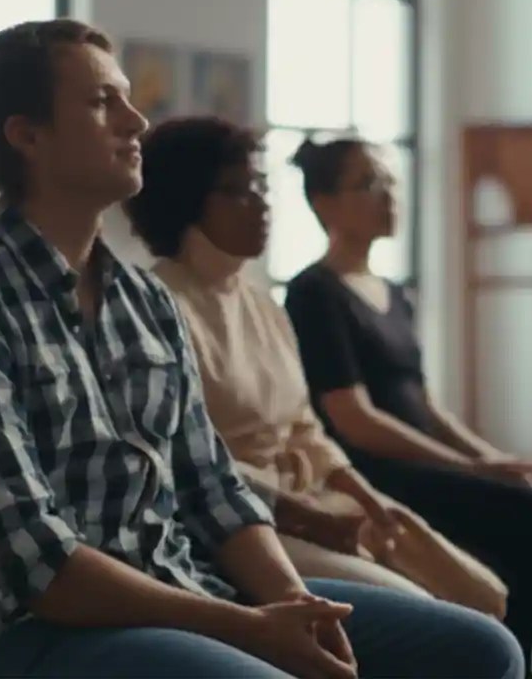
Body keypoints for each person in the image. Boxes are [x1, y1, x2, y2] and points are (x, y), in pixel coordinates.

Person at [0, 19, 523, 679]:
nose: (136, 121)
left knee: (481, 651)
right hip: (35, 637)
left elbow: (213, 490)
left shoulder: (142, 301)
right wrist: (247, 628)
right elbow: (40, 569)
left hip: (190, 595)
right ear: (27, 135)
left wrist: (291, 604)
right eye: (104, 102)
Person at [123, 115, 508, 617]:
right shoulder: (157, 305)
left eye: (261, 184)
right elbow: (189, 460)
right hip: (244, 524)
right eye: (235, 191)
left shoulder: (262, 304)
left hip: (316, 497)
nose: (260, 202)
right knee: (423, 612)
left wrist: (368, 499)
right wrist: (305, 514)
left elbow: (306, 428)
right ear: (186, 202)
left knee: (482, 593)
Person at [284, 136, 532, 677]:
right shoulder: (314, 293)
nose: (388, 196)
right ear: (324, 204)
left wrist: (491, 458)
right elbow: (353, 419)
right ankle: (509, 666)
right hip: (374, 470)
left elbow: (424, 405)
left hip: (423, 461)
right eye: (368, 184)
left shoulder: (395, 292)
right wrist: (468, 468)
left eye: (389, 182)